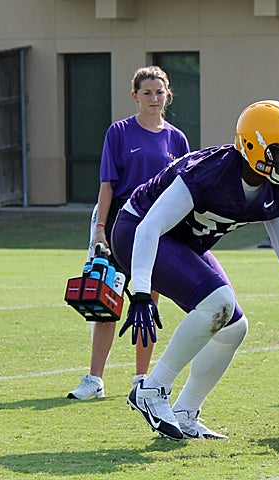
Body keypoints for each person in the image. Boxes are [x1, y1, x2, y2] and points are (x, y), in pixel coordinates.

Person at [113, 100, 279, 440]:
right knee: (218, 303)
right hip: (136, 231)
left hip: (181, 242)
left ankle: (186, 410)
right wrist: (143, 293)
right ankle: (152, 388)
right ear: (251, 146)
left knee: (234, 327)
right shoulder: (209, 172)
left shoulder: (273, 188)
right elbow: (150, 227)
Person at [68, 66, 191, 400]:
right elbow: (107, 185)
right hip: (121, 226)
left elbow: (184, 192)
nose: (154, 98)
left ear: (168, 95)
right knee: (107, 302)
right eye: (147, 92)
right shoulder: (119, 132)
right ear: (135, 96)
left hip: (160, 230)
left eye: (159, 91)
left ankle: (141, 379)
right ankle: (94, 380)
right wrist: (99, 230)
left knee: (147, 302)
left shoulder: (177, 139)